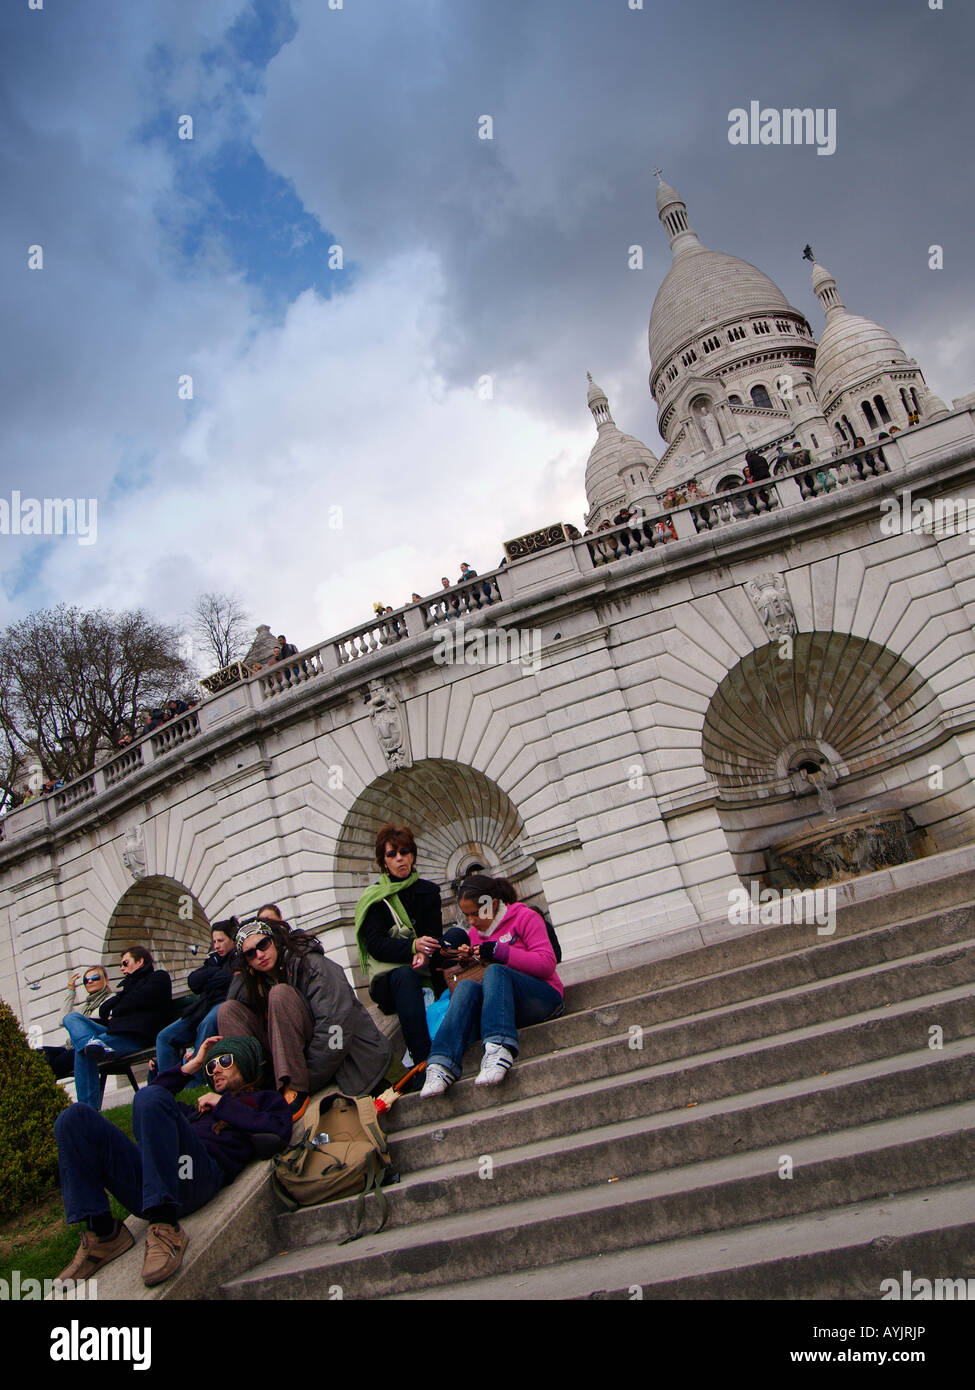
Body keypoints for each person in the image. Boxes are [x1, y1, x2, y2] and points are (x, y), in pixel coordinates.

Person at [54, 1035, 292, 1288]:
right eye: (211, 1066)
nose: (215, 1069)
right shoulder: (196, 1111)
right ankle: (104, 1233)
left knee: (151, 1098)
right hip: (155, 1180)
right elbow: (153, 1095)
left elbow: (277, 1130)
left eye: (224, 1061)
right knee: (74, 1118)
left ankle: (165, 1225)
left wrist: (222, 1103)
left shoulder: (264, 1100)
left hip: (196, 1176)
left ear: (245, 1062)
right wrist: (192, 1066)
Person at [219, 919, 392, 1121]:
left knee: (280, 994)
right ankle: (249, 1095)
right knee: (227, 1011)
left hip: (341, 1055)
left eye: (263, 944)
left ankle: (294, 1086)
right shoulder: (253, 983)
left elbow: (337, 1029)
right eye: (250, 953)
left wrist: (306, 1075)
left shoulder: (311, 964)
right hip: (292, 1060)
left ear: (274, 940)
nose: (259, 955)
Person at [421, 874, 564, 1096]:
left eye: (476, 913)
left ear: (492, 904)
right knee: (466, 986)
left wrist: (502, 952)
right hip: (506, 1008)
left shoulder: (525, 917)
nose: (471, 921)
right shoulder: (475, 935)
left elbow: (547, 964)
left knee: (497, 971)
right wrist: (469, 961)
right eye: (466, 915)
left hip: (543, 996)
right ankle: (441, 1062)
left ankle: (499, 1048)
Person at [354, 823, 446, 1078]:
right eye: (392, 854)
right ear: (383, 861)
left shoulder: (429, 891)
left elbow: (434, 934)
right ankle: (423, 1059)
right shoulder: (375, 898)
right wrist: (412, 947)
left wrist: (424, 952)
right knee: (405, 977)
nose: (399, 859)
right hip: (391, 978)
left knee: (451, 945)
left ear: (413, 855)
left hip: (425, 966)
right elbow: (376, 944)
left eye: (404, 852)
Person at [65, 946, 173, 1112]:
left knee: (83, 1052)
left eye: (125, 963)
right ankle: (92, 1043)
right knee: (71, 1018)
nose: (122, 968)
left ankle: (88, 1111)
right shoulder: (128, 987)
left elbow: (139, 999)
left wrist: (116, 1009)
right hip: (115, 1032)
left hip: (137, 1036)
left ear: (140, 961)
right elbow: (104, 1010)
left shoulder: (158, 977)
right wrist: (118, 1006)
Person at [154, 921, 237, 1073]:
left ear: (232, 939)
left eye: (221, 940)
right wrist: (213, 973)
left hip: (224, 1003)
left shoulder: (238, 959)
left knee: (206, 1025)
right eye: (214, 942)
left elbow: (227, 979)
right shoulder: (212, 961)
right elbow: (193, 982)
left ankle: (198, 1079)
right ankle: (169, 1081)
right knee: (164, 1037)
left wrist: (209, 977)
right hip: (203, 1007)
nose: (217, 946)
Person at [37, 965, 112, 1080]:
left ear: (105, 980)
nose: (90, 981)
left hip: (95, 1045)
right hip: (74, 1046)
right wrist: (71, 991)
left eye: (95, 977)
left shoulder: (110, 999)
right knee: (39, 1053)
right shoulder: (85, 1007)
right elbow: (63, 1020)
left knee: (52, 1066)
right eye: (86, 980)